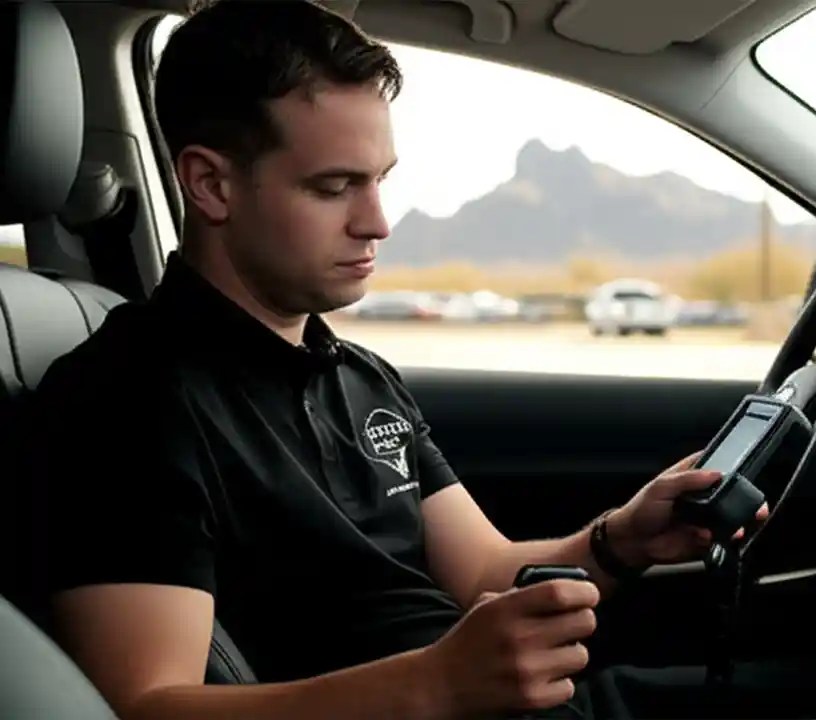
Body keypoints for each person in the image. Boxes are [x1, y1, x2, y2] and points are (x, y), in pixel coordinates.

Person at [24, 1, 767, 718]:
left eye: (379, 180)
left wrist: (622, 538)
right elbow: (147, 705)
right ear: (211, 185)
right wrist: (434, 686)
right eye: (334, 187)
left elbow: (484, 575)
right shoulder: (124, 400)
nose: (377, 222)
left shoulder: (358, 375)